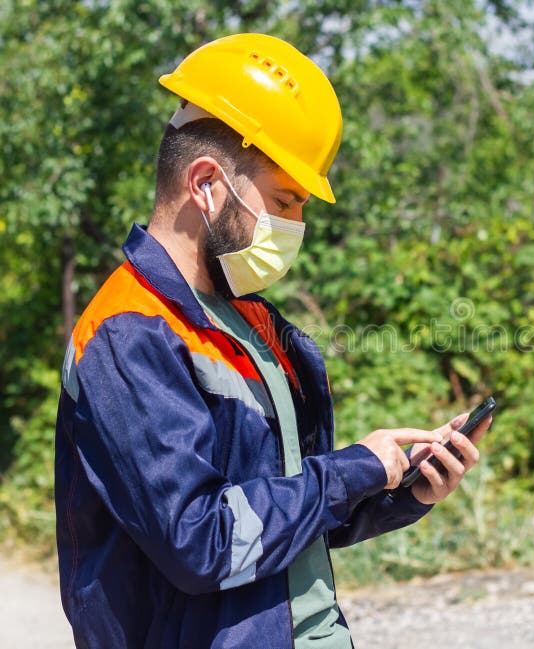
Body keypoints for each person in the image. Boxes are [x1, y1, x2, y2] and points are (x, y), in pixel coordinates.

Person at [54, 33, 491, 649]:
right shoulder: (127, 333)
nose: (296, 226)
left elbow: (292, 514)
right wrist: (351, 469)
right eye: (285, 200)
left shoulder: (258, 323)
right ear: (206, 184)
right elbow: (200, 544)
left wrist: (399, 486)